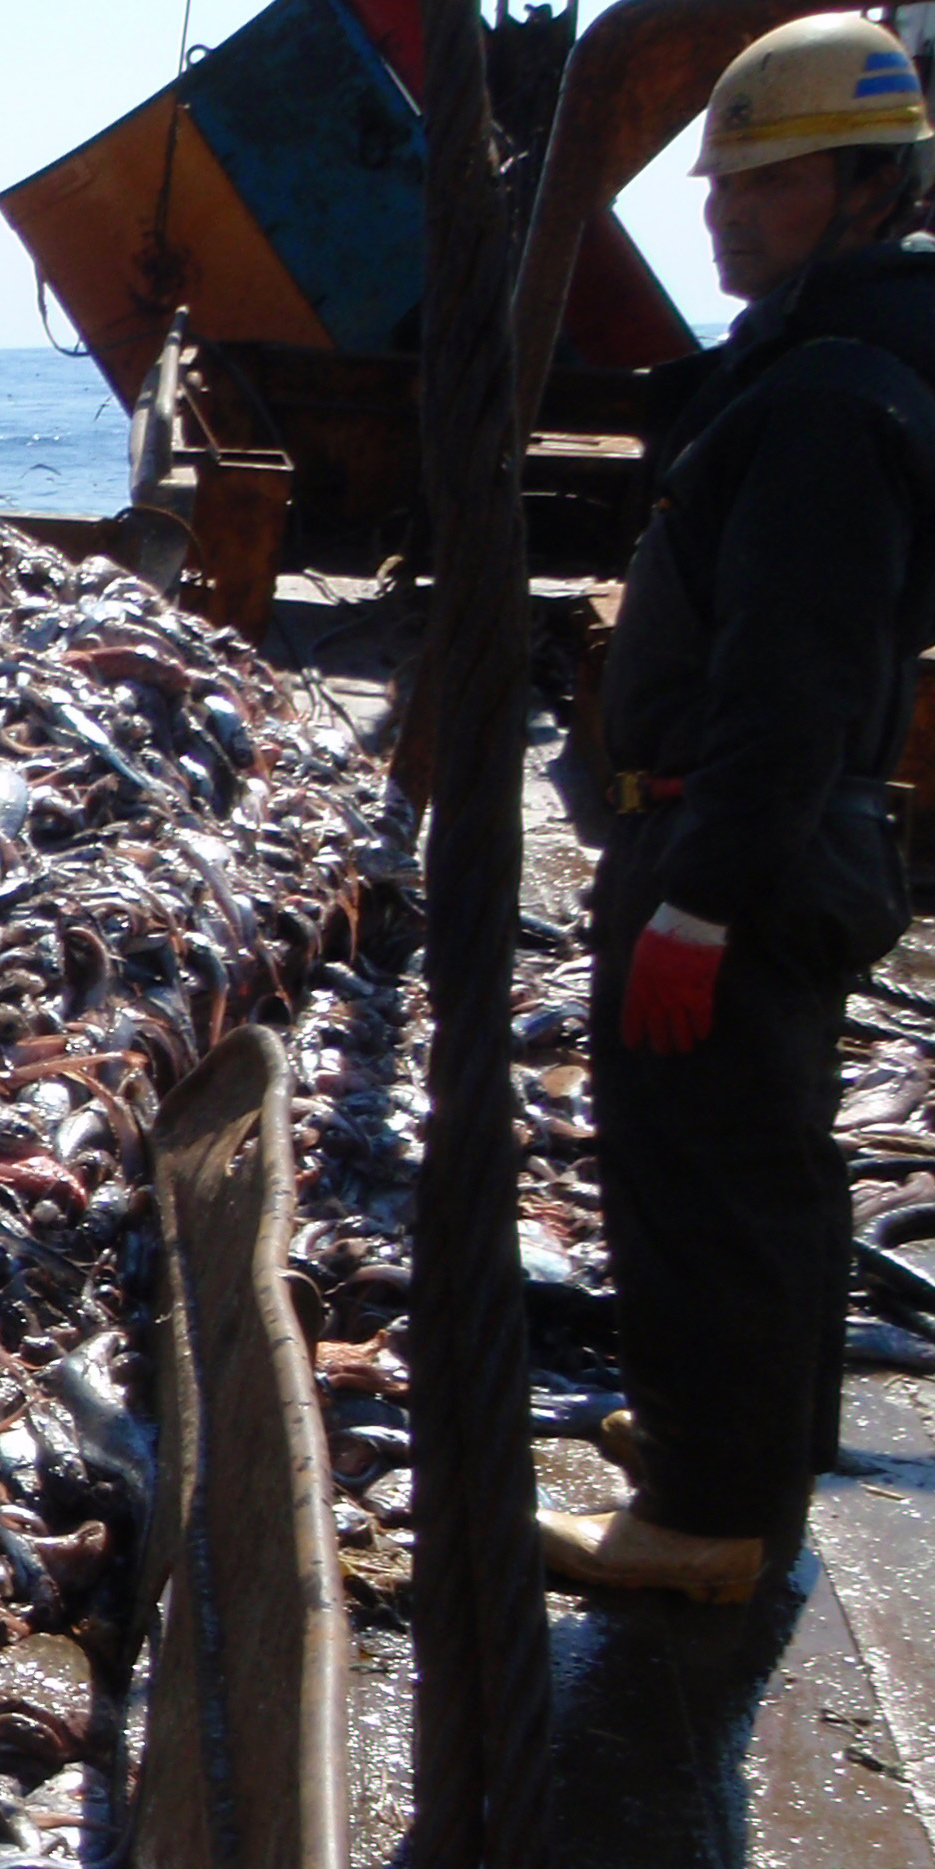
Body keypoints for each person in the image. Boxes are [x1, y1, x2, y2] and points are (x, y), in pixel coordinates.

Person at [541, 13, 935, 1602]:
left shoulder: (833, 393)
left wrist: (697, 905)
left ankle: (711, 1526)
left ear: (858, 189)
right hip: (746, 833)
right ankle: (738, 1445)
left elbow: (795, 681)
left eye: (758, 191)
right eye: (717, 190)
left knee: (704, 1173)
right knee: (748, 1165)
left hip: (740, 843)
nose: (719, 219)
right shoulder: (835, 354)